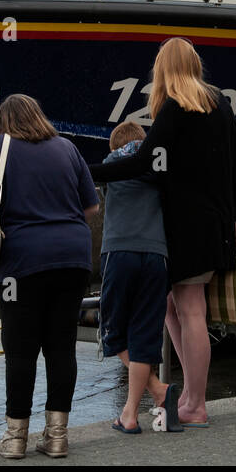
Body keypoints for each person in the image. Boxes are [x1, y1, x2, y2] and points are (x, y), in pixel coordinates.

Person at [88, 38, 236, 427]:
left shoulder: (176, 107)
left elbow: (141, 160)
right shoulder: (221, 104)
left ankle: (195, 402)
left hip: (184, 225)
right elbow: (232, 170)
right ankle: (186, 395)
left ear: (164, 70)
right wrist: (230, 222)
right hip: (215, 222)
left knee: (190, 310)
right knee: (175, 306)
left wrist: (87, 172)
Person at [0, 94, 98, 459]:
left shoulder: (0, 146)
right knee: (61, 346)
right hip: (73, 258)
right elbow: (91, 205)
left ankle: (15, 437)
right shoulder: (68, 148)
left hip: (22, 262)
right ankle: (57, 436)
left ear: (4, 122)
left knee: (21, 349)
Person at [98, 120, 182, 434]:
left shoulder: (110, 164)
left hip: (119, 252)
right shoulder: (159, 166)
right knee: (145, 334)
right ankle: (134, 411)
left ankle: (156, 393)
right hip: (156, 255)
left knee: (113, 331)